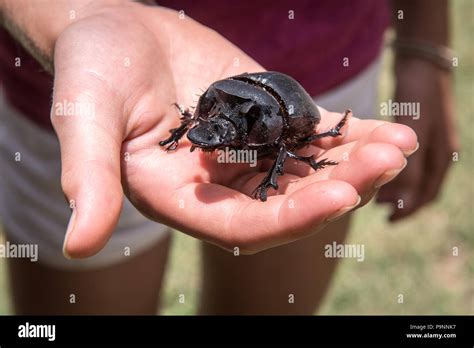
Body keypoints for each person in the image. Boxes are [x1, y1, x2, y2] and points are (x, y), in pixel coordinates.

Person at [0, 0, 454, 315]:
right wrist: (83, 13)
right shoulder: (212, 103)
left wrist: (425, 44)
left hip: (330, 56)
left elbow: (282, 148)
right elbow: (205, 113)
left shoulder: (277, 132)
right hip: (82, 94)